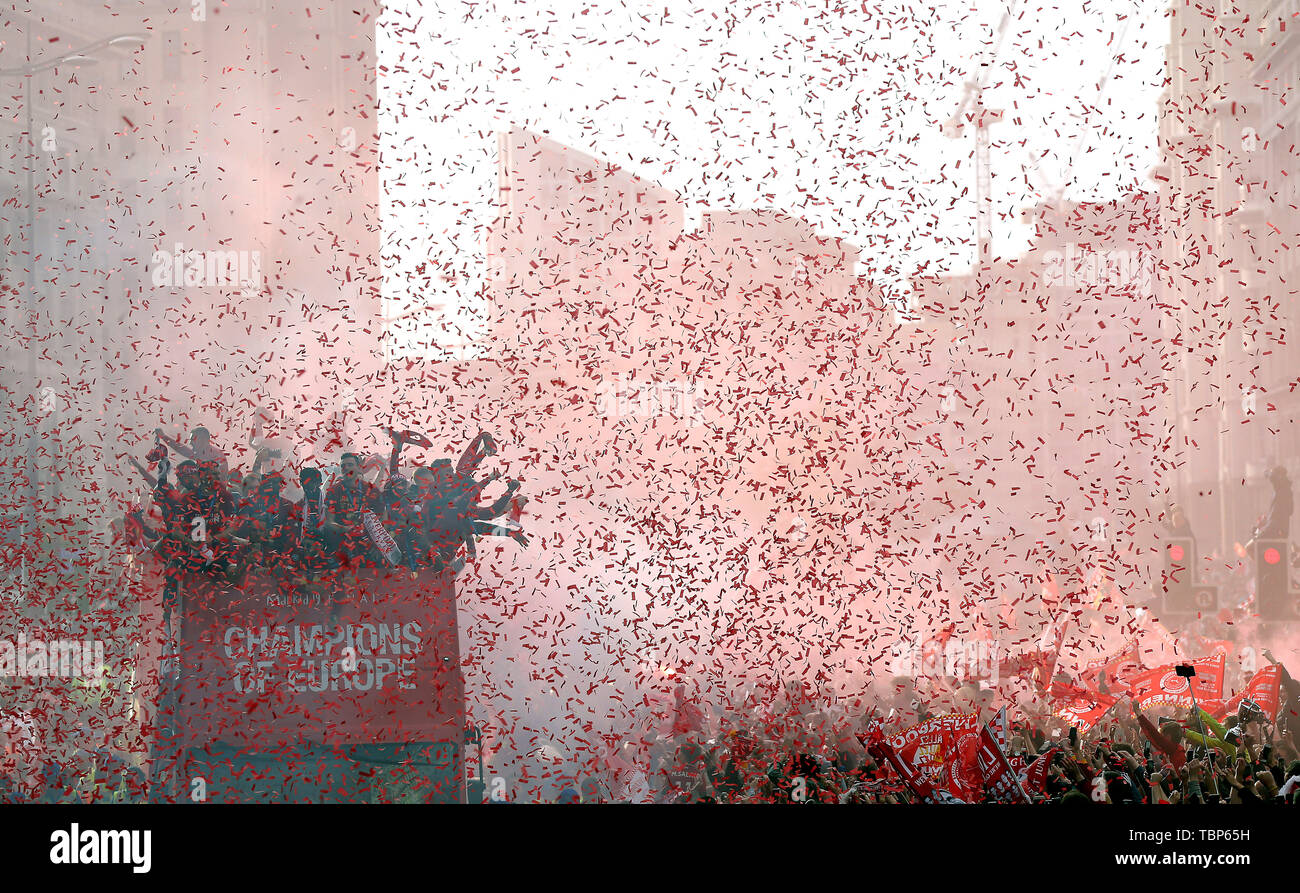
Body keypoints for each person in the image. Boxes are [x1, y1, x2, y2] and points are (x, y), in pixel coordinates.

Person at [324, 453, 382, 569]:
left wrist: (380, 545)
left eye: (350, 464)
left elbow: (383, 518)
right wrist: (344, 528)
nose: (346, 468)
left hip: (368, 544)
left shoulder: (371, 490)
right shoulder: (334, 490)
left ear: (359, 467)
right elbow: (329, 522)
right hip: (342, 543)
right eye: (343, 466)